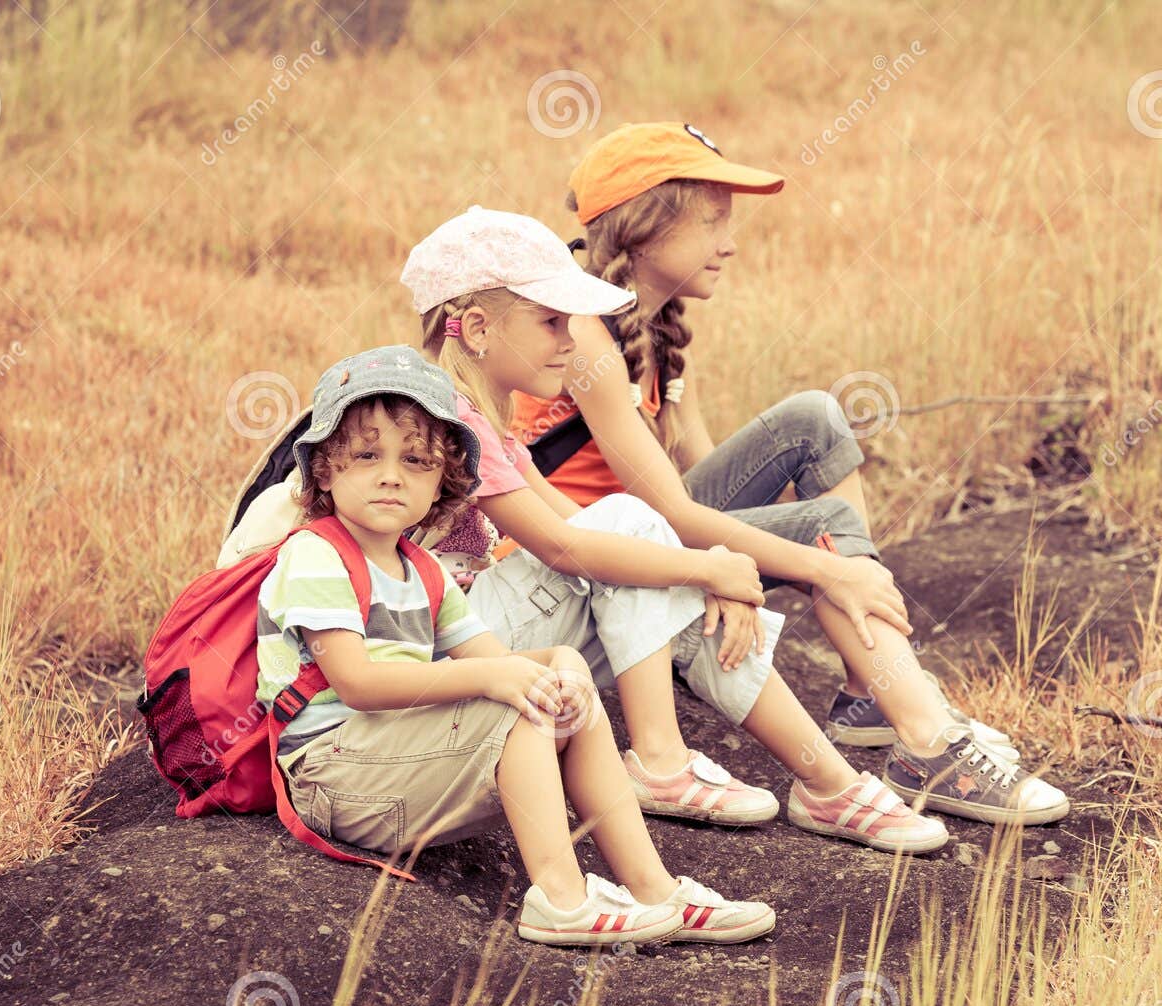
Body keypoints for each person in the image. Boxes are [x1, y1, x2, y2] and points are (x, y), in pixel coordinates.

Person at [510, 123, 1069, 826]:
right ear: (646, 230)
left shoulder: (652, 321)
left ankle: (872, 684)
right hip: (589, 566)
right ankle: (926, 742)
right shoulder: (588, 334)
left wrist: (741, 559)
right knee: (824, 532)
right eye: (712, 221)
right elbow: (680, 518)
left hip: (647, 532)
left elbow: (698, 478)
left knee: (814, 417)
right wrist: (818, 569)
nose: (730, 242)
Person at [400, 207, 948, 854]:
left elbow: (574, 523)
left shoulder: (486, 422)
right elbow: (563, 545)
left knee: (643, 539)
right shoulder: (447, 416)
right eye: (550, 323)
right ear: (480, 329)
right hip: (430, 661)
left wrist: (693, 566)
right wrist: (704, 568)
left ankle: (826, 780)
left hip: (473, 639)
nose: (569, 341)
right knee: (636, 528)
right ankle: (669, 762)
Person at [256, 343, 775, 946]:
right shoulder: (315, 553)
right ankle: (560, 898)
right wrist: (497, 681)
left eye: (417, 461)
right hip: (334, 775)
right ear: (324, 469)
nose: (392, 474)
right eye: (366, 456)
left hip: (398, 764)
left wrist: (561, 665)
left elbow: (493, 661)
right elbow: (359, 684)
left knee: (558, 685)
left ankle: (656, 890)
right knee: (513, 701)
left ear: (442, 481)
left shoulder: (421, 569)